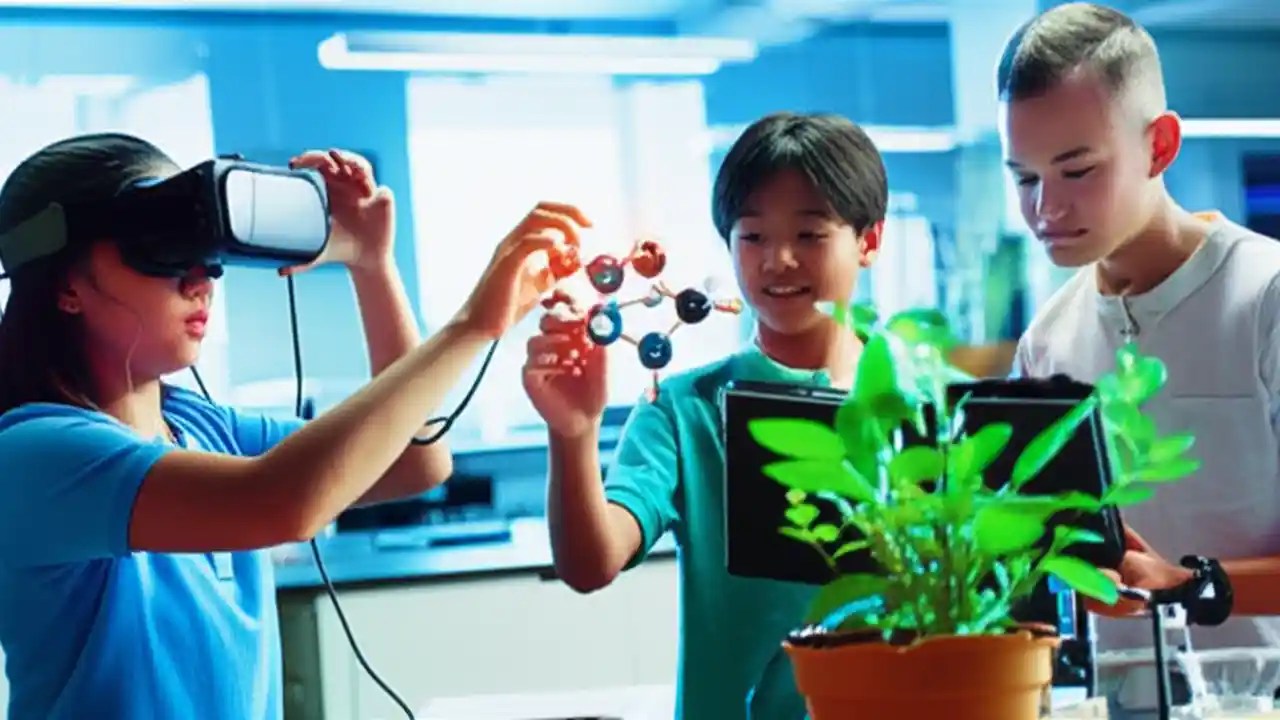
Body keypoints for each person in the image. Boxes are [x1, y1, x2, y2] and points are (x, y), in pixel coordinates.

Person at [0, 132, 587, 720]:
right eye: (158, 248)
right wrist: (472, 326)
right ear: (66, 286)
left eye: (201, 250)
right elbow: (284, 503)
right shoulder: (32, 454)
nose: (201, 279)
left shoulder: (203, 429)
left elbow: (416, 459)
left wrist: (371, 265)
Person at [522, 111, 887, 718]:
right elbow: (590, 563)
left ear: (869, 241)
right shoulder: (684, 411)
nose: (779, 260)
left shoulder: (928, 403)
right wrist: (573, 434)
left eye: (810, 235)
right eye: (753, 237)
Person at [998, 3, 1280, 715]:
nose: (1045, 209)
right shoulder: (1047, 341)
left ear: (1159, 147)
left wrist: (1193, 584)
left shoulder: (1267, 297)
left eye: (1076, 170)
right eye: (1025, 178)